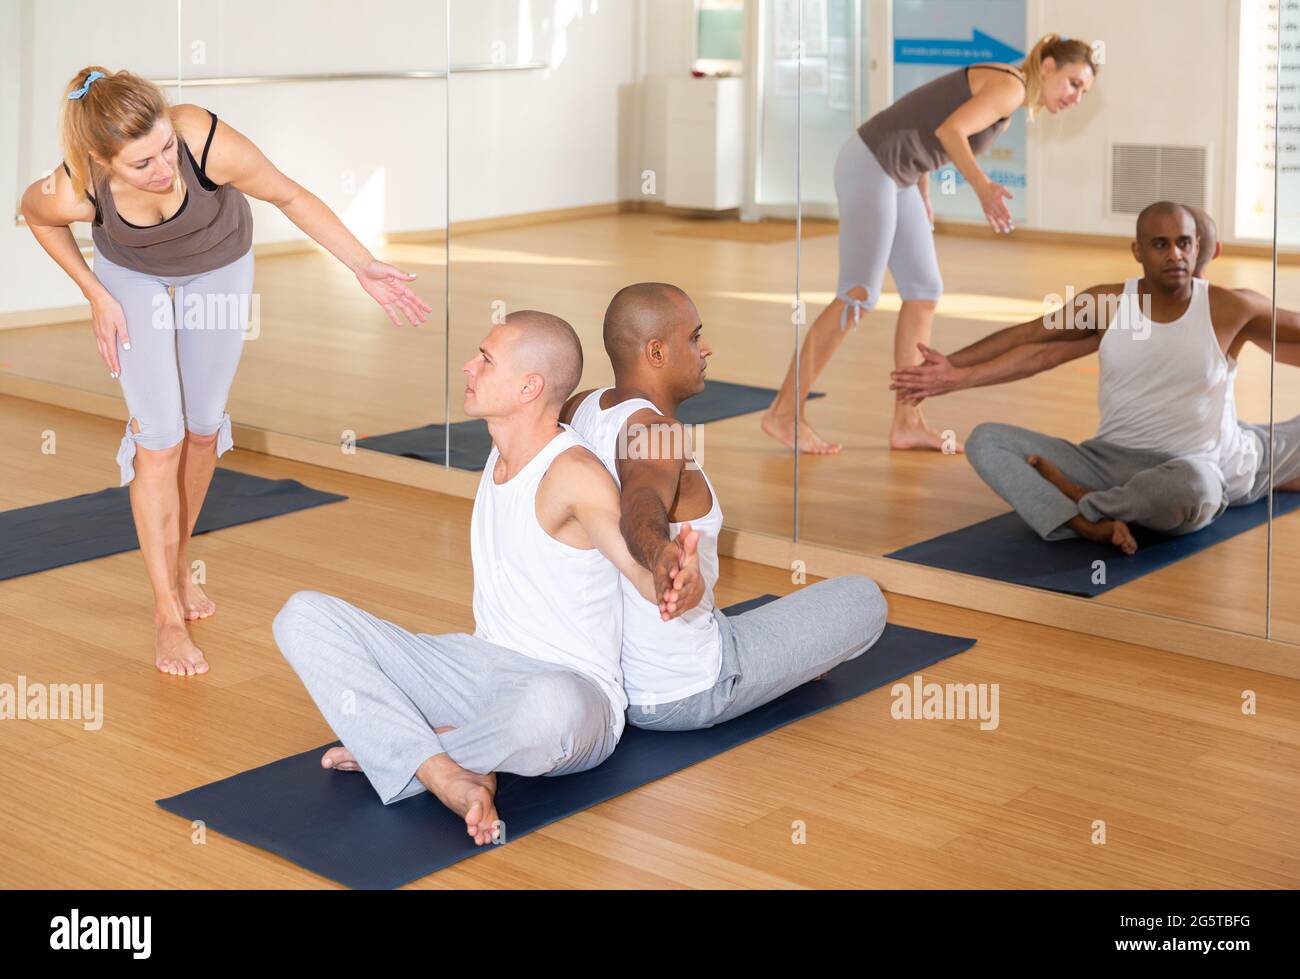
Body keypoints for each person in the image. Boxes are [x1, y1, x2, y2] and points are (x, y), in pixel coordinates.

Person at [19, 68, 432, 676]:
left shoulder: (206, 141)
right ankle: (165, 611)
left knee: (203, 428)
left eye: (165, 148)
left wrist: (362, 264)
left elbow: (288, 194)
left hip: (218, 268)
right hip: (132, 278)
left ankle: (180, 563)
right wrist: (95, 294)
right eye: (141, 164)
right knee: (158, 438)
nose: (164, 169)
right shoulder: (74, 187)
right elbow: (34, 216)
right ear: (99, 162)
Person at [274, 311, 702, 844]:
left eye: (486, 358)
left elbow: (637, 568)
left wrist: (671, 577)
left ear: (529, 386)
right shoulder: (500, 452)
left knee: (549, 709)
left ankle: (415, 753)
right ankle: (446, 769)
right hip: (476, 670)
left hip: (572, 695)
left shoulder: (573, 473)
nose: (468, 366)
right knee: (303, 616)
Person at [561, 283, 888, 731]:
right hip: (688, 689)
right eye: (694, 337)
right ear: (656, 352)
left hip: (610, 682)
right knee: (864, 595)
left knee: (757, 619)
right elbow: (642, 500)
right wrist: (661, 557)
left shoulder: (580, 407)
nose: (705, 348)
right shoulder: (659, 434)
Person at [889, 202, 1300, 553]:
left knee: (1195, 488)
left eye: (1184, 243)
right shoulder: (1108, 302)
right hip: (1107, 460)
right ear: (1138, 251)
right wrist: (951, 370)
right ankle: (1086, 522)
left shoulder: (1230, 308)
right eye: (1161, 244)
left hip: (1192, 466)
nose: (1174, 254)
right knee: (987, 440)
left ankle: (1086, 503)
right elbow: (1034, 339)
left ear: (1197, 249)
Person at [762, 34, 1098, 455]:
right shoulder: (1010, 87)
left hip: (899, 175)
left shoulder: (1007, 88)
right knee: (857, 297)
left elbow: (926, 120)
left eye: (1083, 91)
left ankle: (907, 422)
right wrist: (983, 188)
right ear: (1047, 66)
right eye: (1074, 83)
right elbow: (950, 129)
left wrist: (922, 189)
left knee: (923, 292)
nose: (1076, 97)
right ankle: (783, 413)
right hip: (871, 164)